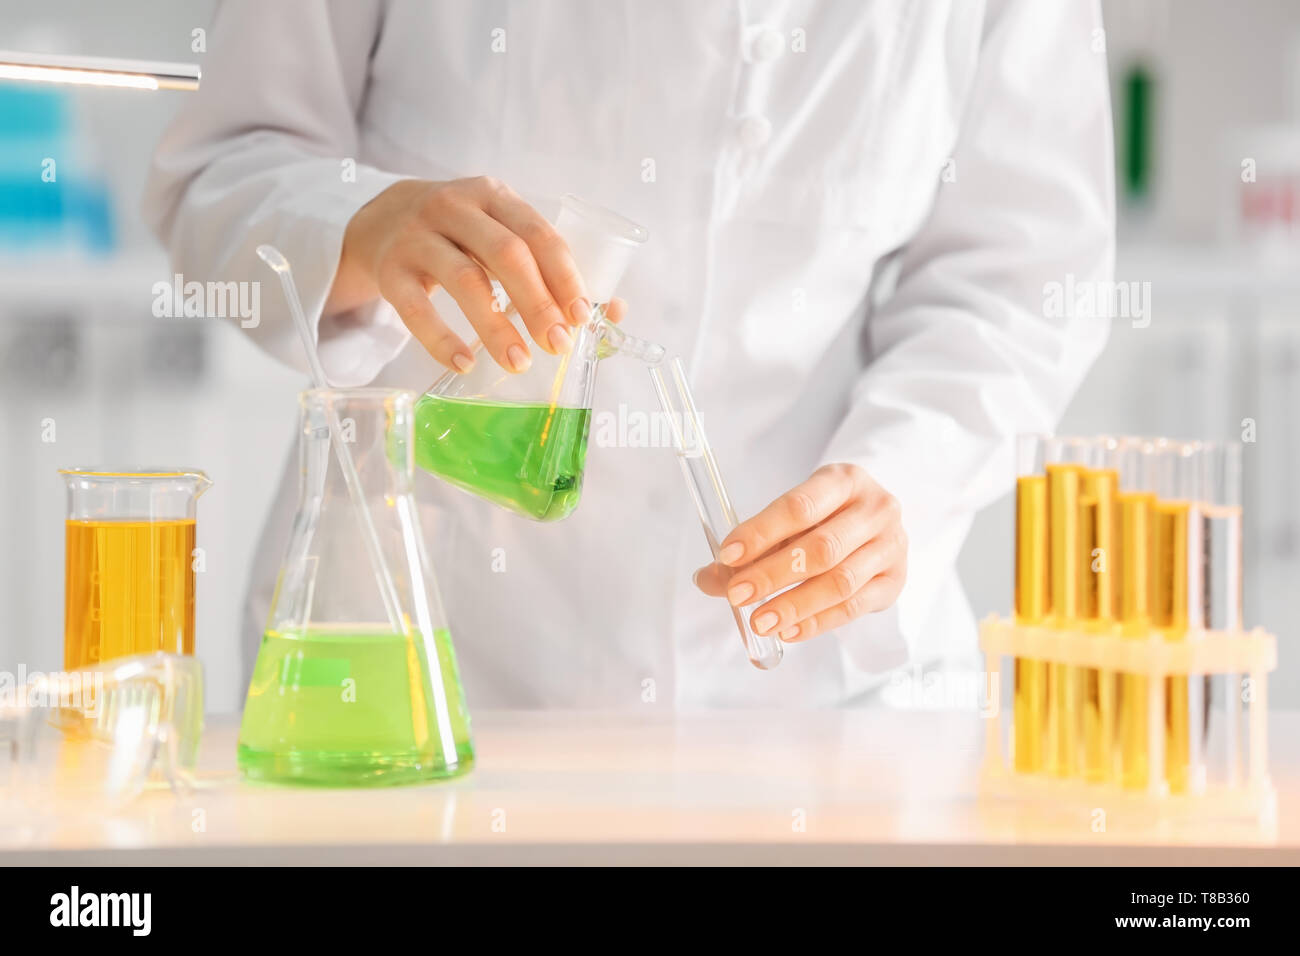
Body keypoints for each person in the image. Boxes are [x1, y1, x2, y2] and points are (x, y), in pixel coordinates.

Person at [144, 0, 1113, 708]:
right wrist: (361, 223)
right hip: (440, 652)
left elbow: (1020, 274)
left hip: (817, 686)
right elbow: (220, 168)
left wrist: (904, 476)